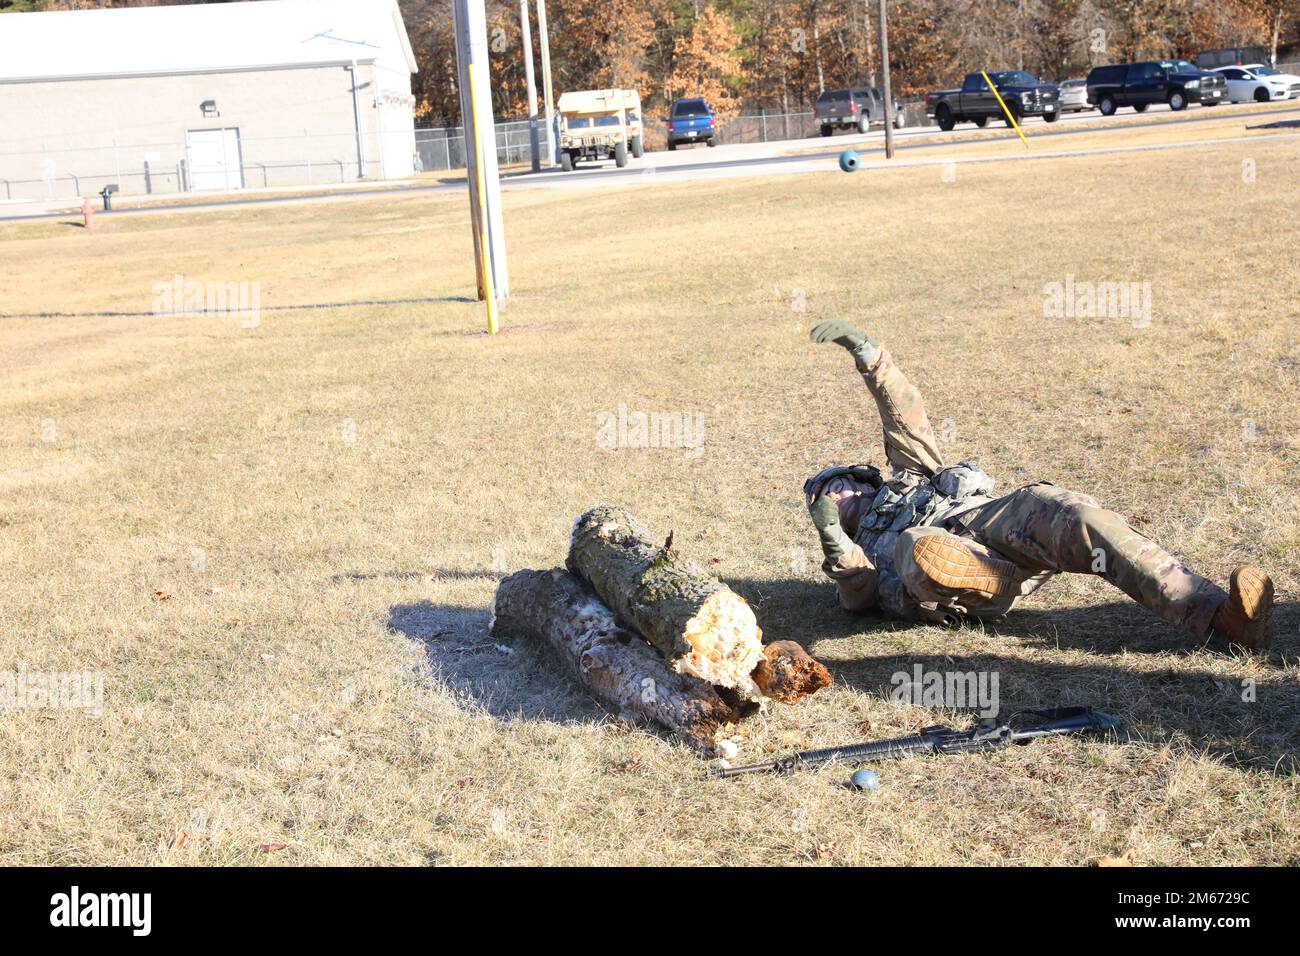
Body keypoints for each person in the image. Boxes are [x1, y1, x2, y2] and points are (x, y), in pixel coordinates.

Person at [804, 320, 1273, 653]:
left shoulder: (909, 475)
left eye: (840, 483)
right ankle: (983, 574)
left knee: (1076, 517)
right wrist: (835, 540)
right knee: (918, 546)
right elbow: (859, 597)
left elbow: (904, 413)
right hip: (945, 580)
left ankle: (1220, 618)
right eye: (827, 499)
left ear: (862, 481)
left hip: (996, 522)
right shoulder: (855, 550)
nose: (837, 494)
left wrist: (867, 352)